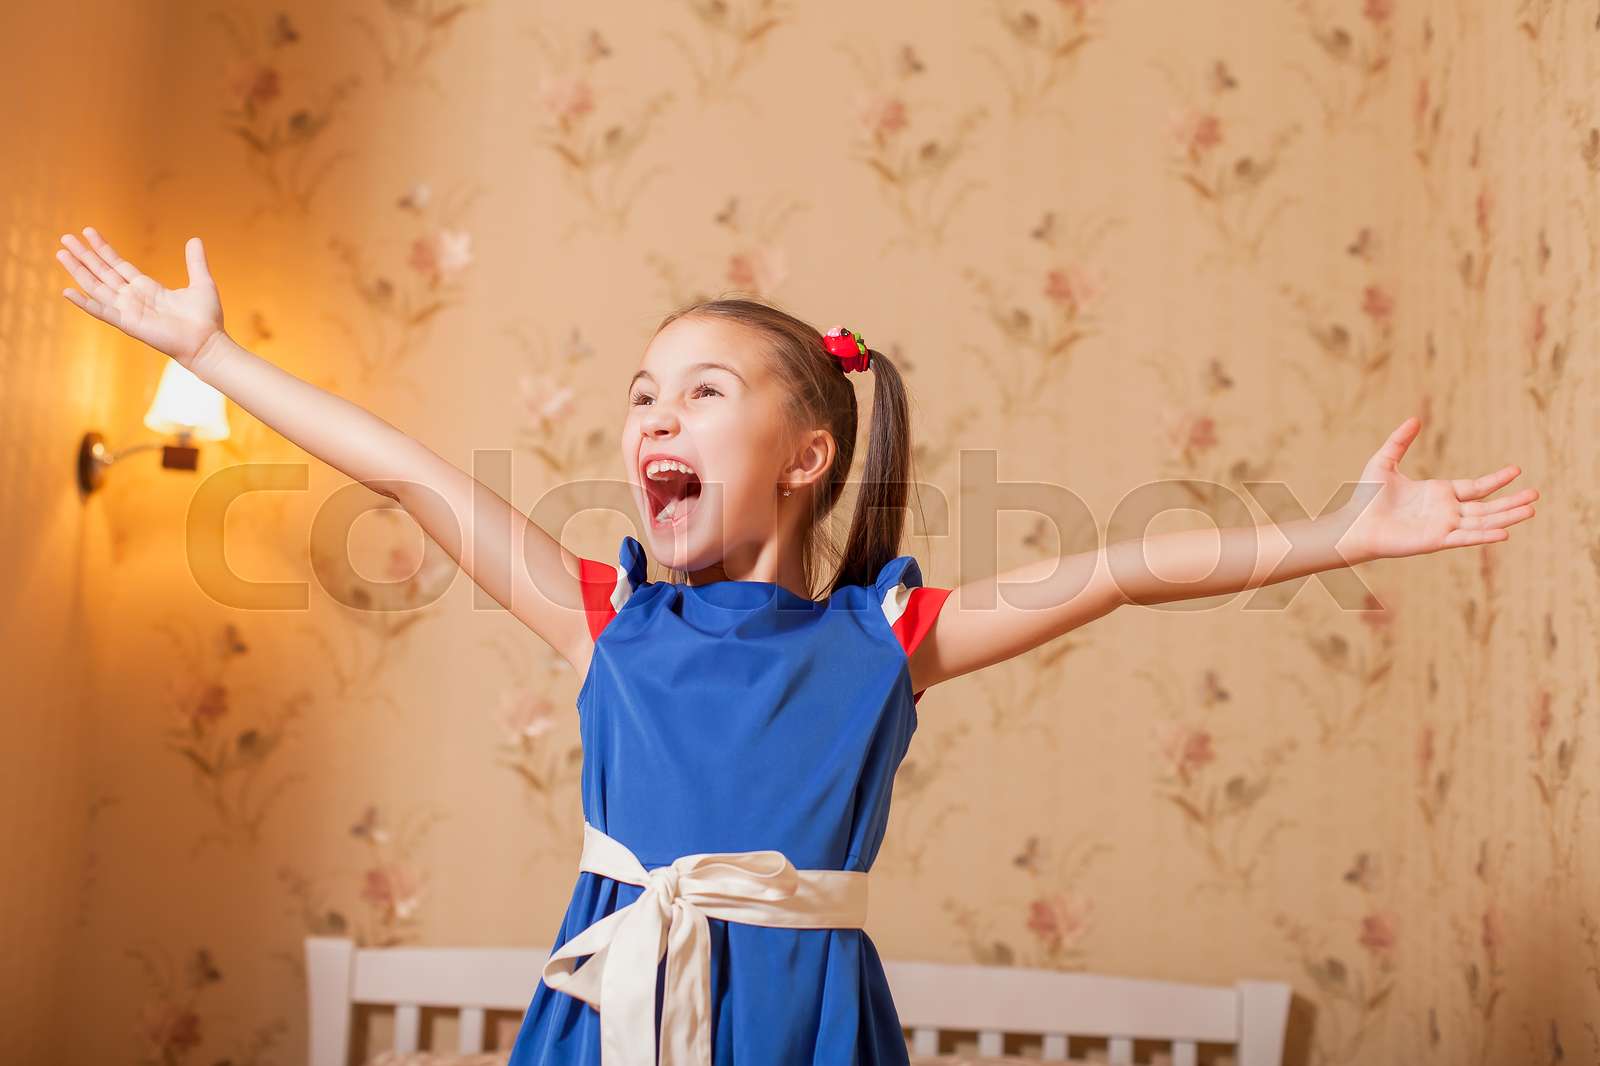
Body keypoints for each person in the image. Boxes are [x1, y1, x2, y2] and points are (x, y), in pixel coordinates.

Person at [56, 229, 1538, 1066]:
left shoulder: (884, 636)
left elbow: (1123, 570)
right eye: (642, 394)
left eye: (701, 392)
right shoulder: (605, 614)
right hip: (608, 1005)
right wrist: (207, 354)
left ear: (808, 454)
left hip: (804, 1026)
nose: (653, 419)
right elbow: (406, 472)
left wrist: (1343, 530)